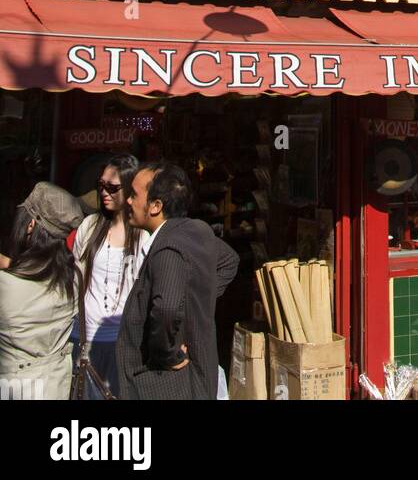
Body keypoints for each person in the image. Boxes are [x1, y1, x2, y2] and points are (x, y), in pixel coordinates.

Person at [116, 161, 239, 400]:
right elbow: (229, 261)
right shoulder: (196, 231)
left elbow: (167, 309)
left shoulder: (167, 248)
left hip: (167, 387)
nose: (128, 201)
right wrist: (195, 301)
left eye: (134, 195)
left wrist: (166, 354)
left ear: (156, 206)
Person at [72, 153, 151, 398]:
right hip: (83, 337)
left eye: (112, 187)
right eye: (101, 185)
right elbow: (75, 280)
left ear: (129, 190)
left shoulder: (143, 236)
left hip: (123, 341)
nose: (104, 191)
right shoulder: (90, 226)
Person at [0, 182, 83, 398]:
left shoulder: (5, 285)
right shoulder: (73, 277)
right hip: (54, 386)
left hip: (12, 388)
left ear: (30, 225)